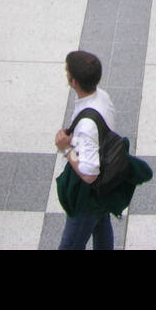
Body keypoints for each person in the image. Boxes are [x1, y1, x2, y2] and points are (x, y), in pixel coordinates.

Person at [55, 50, 118, 250]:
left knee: (70, 245)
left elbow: (90, 173)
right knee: (101, 226)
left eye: (67, 72)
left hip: (87, 194)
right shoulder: (102, 97)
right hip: (106, 182)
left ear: (73, 82)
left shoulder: (86, 127)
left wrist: (66, 150)